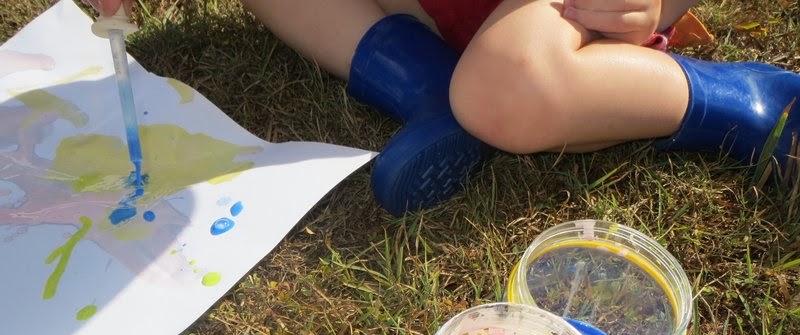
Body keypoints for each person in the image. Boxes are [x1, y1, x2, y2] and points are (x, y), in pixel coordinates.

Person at [87, 0, 799, 216]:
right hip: (440, 15)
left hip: (557, 17)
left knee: (510, 90)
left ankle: (745, 102)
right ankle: (433, 91)